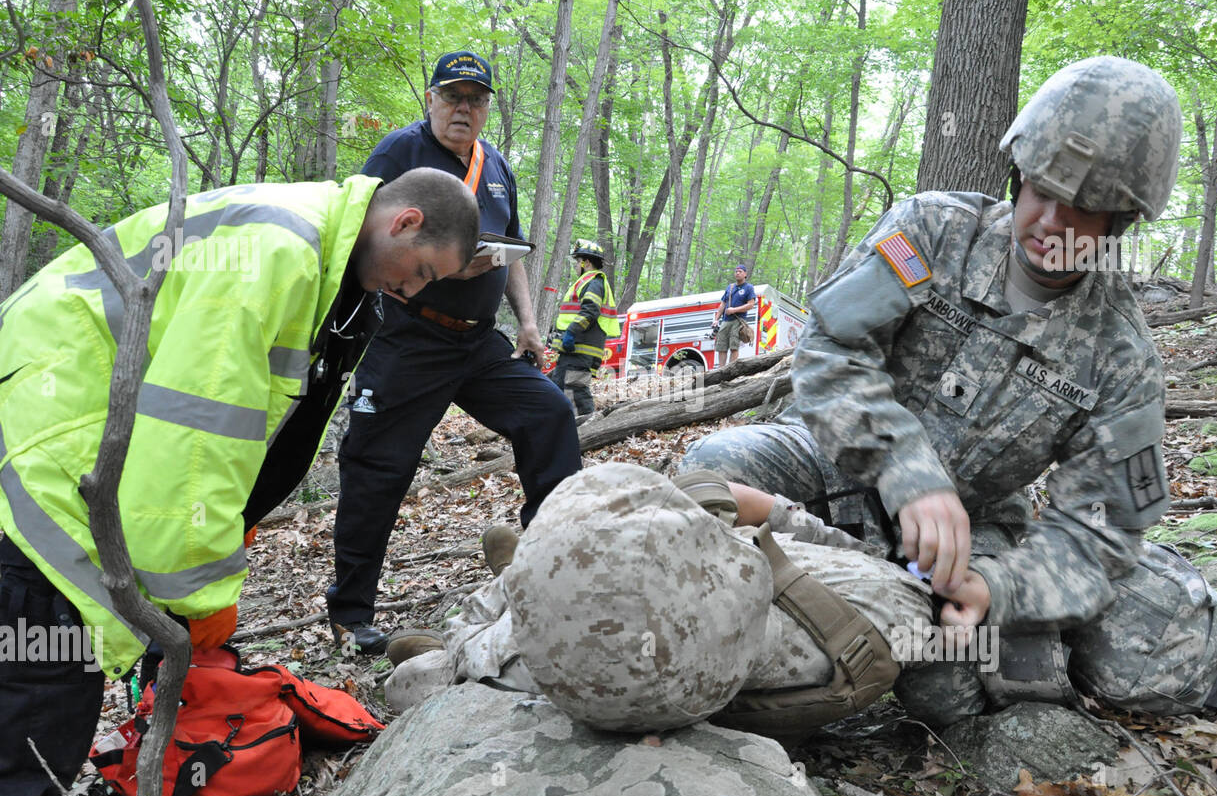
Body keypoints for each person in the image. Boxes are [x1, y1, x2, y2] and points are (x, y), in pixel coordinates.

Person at [679, 56, 1217, 725]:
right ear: (1018, 173)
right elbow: (830, 348)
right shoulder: (932, 231)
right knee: (712, 472)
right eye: (1042, 189)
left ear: (1120, 221)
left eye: (1083, 208)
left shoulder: (1122, 359)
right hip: (825, 459)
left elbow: (1099, 534)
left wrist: (996, 586)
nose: (1052, 220)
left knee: (950, 691)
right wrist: (907, 470)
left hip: (972, 530)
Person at [0, 168, 481, 796]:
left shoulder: (318, 257)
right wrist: (193, 599)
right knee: (35, 714)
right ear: (405, 222)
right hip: (45, 445)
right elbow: (192, 437)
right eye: (422, 271)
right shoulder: (280, 254)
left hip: (51, 421)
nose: (412, 291)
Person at [329, 50, 581, 654]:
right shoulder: (399, 151)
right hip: (408, 337)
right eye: (453, 96)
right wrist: (440, 268)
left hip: (477, 341)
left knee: (548, 415)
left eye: (476, 99)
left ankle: (555, 560)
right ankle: (351, 614)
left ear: (488, 107)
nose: (463, 108)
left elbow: (513, 250)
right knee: (377, 468)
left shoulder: (495, 166)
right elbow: (361, 234)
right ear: (432, 99)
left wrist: (526, 322)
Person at [383, 464, 935, 739]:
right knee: (601, 558)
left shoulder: (653, 634)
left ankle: (475, 630)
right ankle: (514, 582)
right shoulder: (870, 563)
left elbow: (404, 687)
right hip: (771, 579)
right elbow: (742, 501)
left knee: (429, 676)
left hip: (807, 630)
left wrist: (460, 655)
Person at [549, 239, 619, 424]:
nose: (574, 266)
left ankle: (589, 429)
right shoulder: (585, 282)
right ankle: (566, 429)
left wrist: (571, 332)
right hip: (573, 349)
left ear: (586, 262)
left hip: (581, 348)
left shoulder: (594, 281)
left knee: (576, 389)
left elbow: (590, 310)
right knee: (560, 388)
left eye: (576, 261)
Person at [711, 264, 756, 368]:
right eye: (736, 271)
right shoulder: (730, 287)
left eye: (740, 271)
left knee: (734, 346)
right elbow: (723, 304)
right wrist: (716, 319)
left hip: (738, 321)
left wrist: (734, 310)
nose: (737, 273)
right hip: (725, 321)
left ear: (745, 274)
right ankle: (721, 369)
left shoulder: (749, 288)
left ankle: (729, 369)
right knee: (721, 346)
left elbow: (751, 304)